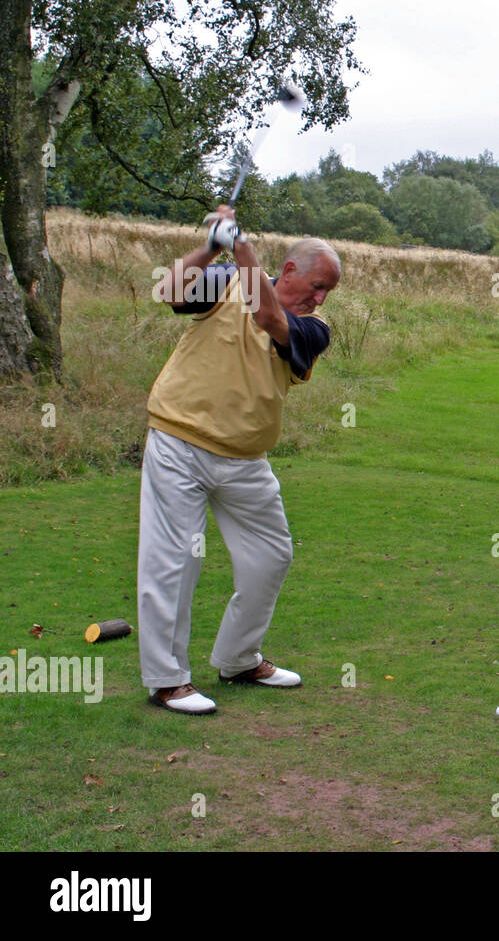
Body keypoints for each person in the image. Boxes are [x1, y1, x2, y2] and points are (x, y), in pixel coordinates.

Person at [139, 206, 338, 714]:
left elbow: (268, 316)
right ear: (288, 270)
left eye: (327, 292)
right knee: (174, 561)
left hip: (247, 458)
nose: (319, 298)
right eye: (316, 284)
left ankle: (238, 658)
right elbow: (168, 293)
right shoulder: (225, 278)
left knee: (271, 556)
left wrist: (239, 243)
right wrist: (211, 246)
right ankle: (167, 681)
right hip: (178, 441)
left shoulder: (314, 329)